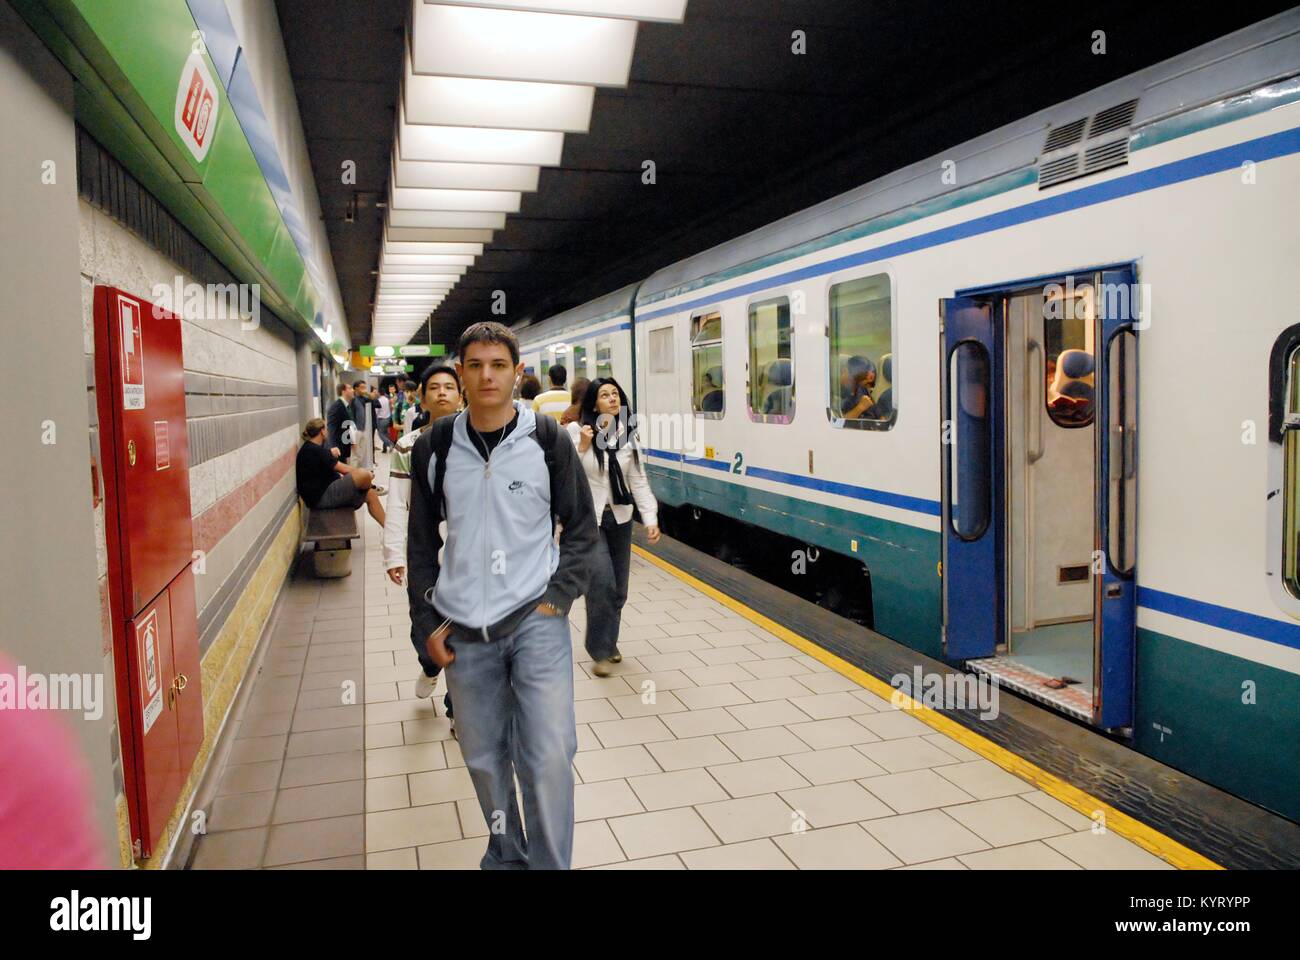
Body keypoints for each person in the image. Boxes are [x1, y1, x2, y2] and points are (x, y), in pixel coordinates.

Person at [407, 321, 597, 870]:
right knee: (487, 760)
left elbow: (581, 529)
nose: (486, 375)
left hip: (535, 619)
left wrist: (557, 599)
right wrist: (427, 622)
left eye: (498, 365)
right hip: (465, 629)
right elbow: (421, 543)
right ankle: (507, 856)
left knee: (550, 756)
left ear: (517, 373)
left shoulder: (546, 440)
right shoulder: (436, 448)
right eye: (474, 365)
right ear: (461, 375)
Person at [385, 364, 463, 723]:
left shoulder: (475, 439)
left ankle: (457, 710)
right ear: (423, 397)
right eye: (435, 387)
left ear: (461, 394)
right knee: (425, 624)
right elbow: (398, 504)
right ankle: (429, 664)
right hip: (423, 553)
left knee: (461, 633)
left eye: (450, 386)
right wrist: (392, 555)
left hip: (464, 554)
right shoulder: (407, 445)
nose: (443, 392)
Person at [568, 378, 661, 677]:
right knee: (602, 583)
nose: (610, 398)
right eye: (604, 395)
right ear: (594, 403)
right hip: (590, 520)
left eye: (615, 394)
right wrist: (583, 447)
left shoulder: (628, 436)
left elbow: (638, 479)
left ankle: (609, 641)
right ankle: (599, 650)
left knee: (619, 589)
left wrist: (650, 518)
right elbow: (567, 476)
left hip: (619, 518)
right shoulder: (576, 432)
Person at [296, 417, 386, 526]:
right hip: (322, 498)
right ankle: (372, 486)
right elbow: (345, 469)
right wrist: (367, 475)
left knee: (370, 494)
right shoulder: (315, 450)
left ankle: (389, 531)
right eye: (326, 429)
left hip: (322, 495)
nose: (328, 432)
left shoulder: (311, 448)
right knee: (363, 474)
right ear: (322, 431)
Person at [841, 355, 878, 420]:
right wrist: (860, 407)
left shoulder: (862, 389)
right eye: (843, 371)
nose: (842, 375)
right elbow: (840, 422)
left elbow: (877, 415)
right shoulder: (838, 393)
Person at [326, 382, 354, 461]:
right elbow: (331, 427)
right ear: (343, 391)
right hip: (338, 449)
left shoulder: (346, 405)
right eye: (350, 388)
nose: (352, 390)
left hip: (343, 446)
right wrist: (333, 446)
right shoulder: (337, 407)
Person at [375, 384, 394, 453]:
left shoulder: (378, 401)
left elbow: (376, 412)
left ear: (379, 393)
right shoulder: (387, 399)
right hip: (388, 418)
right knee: (385, 434)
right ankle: (384, 449)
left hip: (381, 419)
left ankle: (390, 444)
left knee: (380, 434)